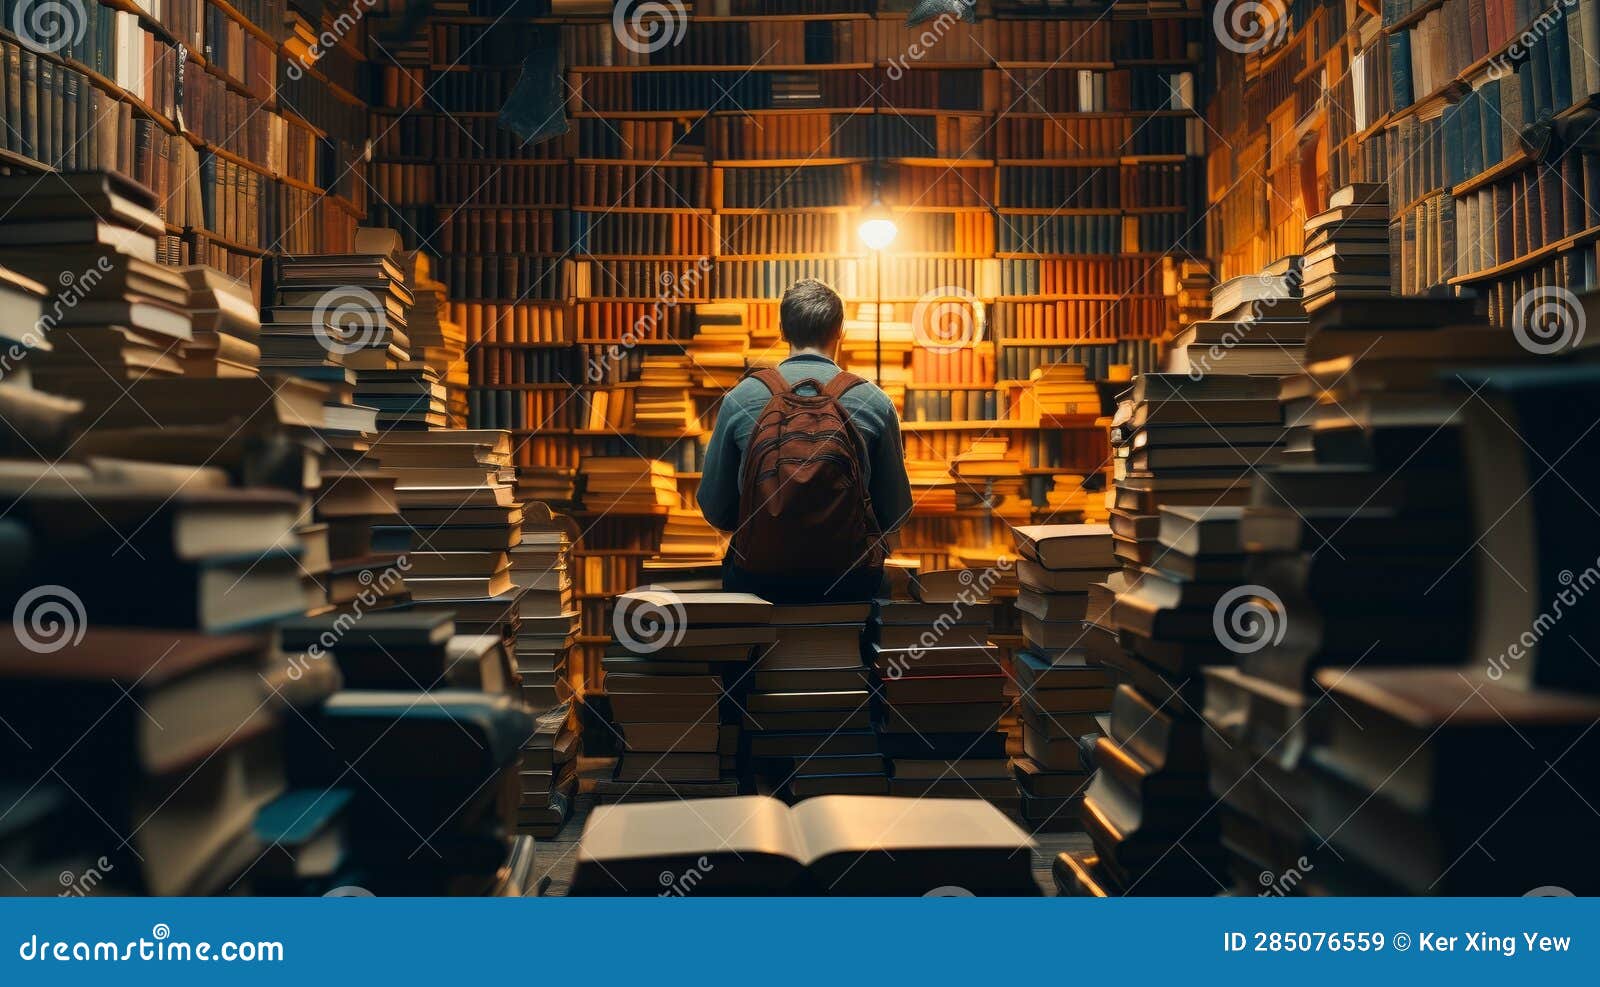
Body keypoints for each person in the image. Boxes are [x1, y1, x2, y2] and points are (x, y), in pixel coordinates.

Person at [698, 279, 913, 602]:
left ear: (782, 330)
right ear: (840, 331)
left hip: (759, 586)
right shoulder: (875, 401)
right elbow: (896, 512)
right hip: (849, 586)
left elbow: (716, 510)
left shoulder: (740, 398)